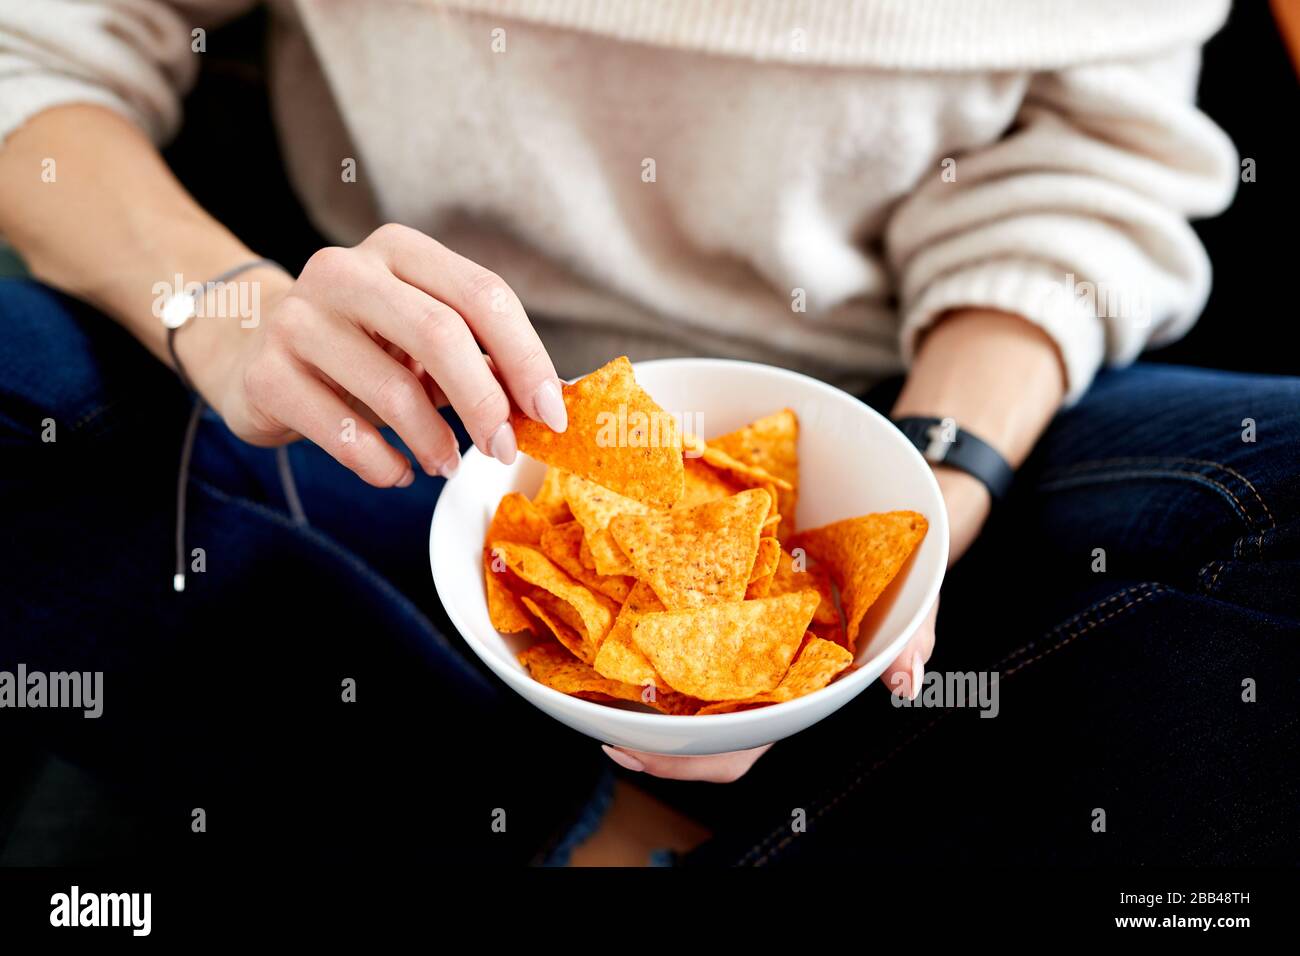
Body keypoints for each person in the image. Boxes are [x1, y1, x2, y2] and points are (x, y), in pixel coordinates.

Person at [1, 0, 1296, 866]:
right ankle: (611, 836)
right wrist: (221, 306)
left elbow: (1086, 184)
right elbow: (39, 42)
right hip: (415, 445)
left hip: (931, 427)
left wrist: (929, 505)